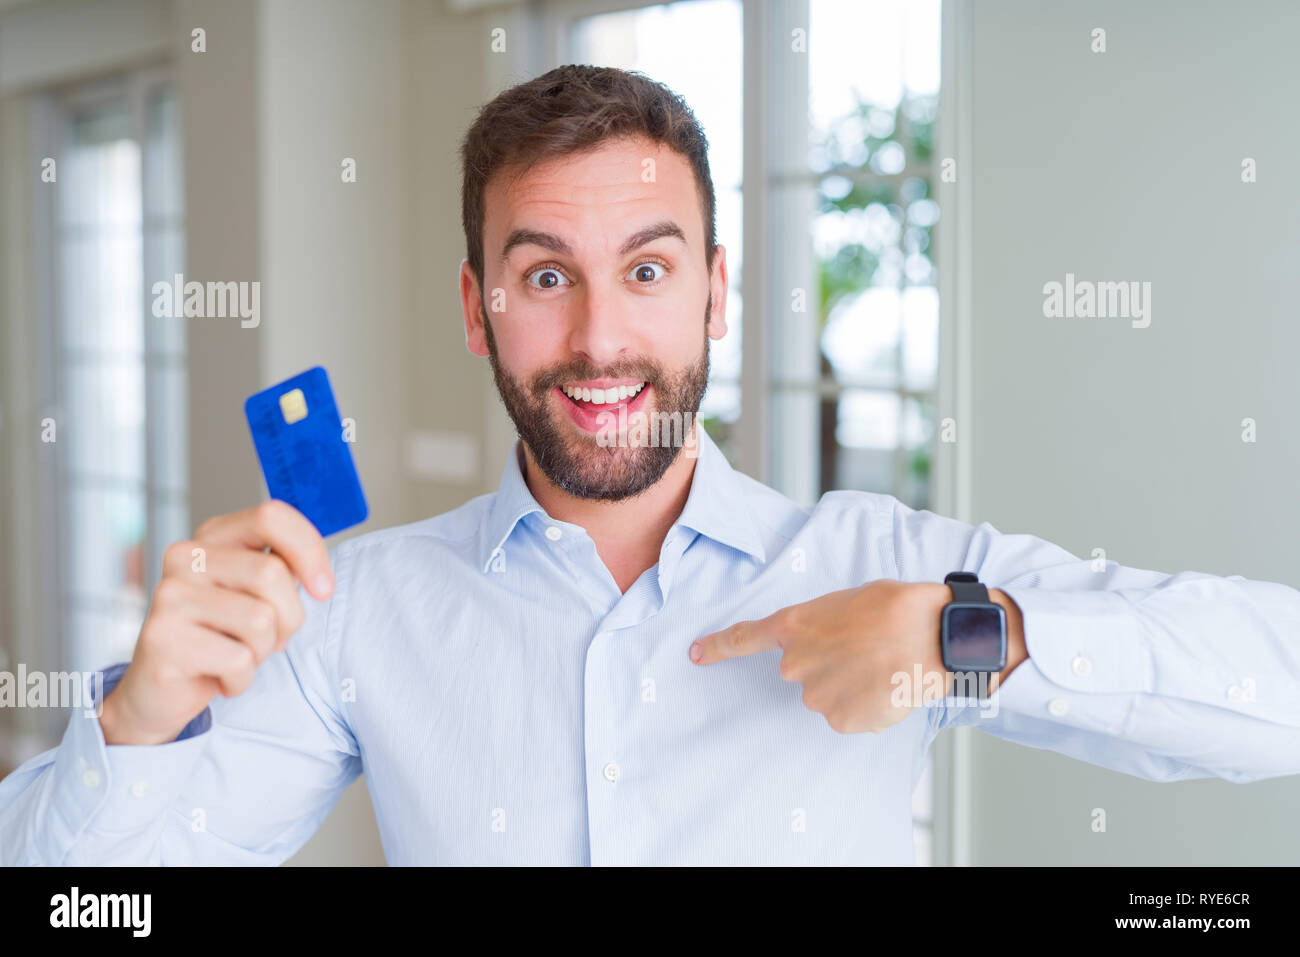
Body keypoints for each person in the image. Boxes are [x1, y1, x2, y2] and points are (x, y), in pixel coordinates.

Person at [2, 65, 1297, 866]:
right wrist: (137, 723)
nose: (601, 336)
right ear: (477, 308)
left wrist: (979, 636)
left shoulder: (887, 568)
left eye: (650, 269)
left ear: (718, 293)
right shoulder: (360, 611)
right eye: (546, 274)